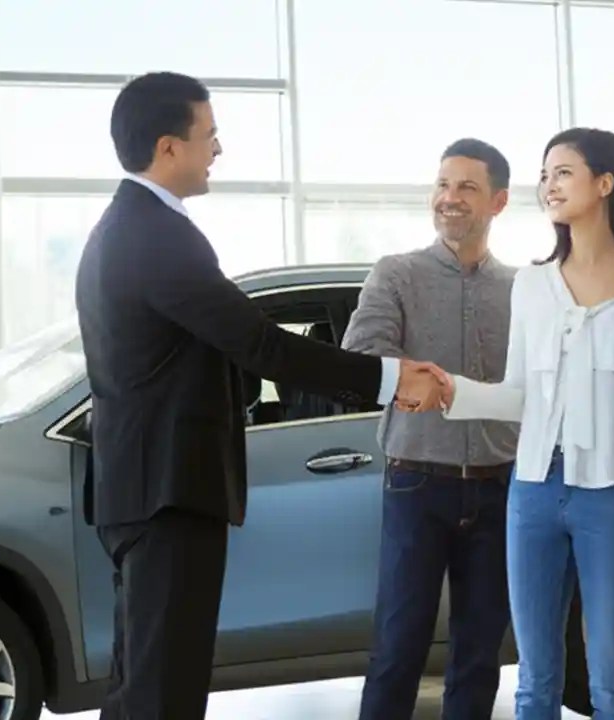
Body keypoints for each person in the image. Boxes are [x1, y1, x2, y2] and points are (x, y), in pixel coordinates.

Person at [74, 71, 445, 720]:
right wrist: (388, 380)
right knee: (164, 688)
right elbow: (260, 344)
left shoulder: (122, 228)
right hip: (167, 491)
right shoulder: (156, 236)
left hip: (142, 487)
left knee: (143, 680)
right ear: (168, 147)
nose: (217, 149)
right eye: (209, 135)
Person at [430, 127, 614, 720]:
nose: (549, 186)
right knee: (534, 680)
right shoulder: (532, 286)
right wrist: (452, 391)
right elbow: (519, 396)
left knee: (611, 679)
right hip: (531, 490)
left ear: (605, 184)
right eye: (544, 175)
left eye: (563, 173)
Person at [342, 138, 519, 720]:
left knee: (480, 652)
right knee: (399, 646)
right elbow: (360, 355)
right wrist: (410, 377)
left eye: (467, 186)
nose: (450, 197)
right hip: (417, 485)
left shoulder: (521, 289)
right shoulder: (397, 275)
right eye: (443, 184)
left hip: (498, 487)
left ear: (498, 202)